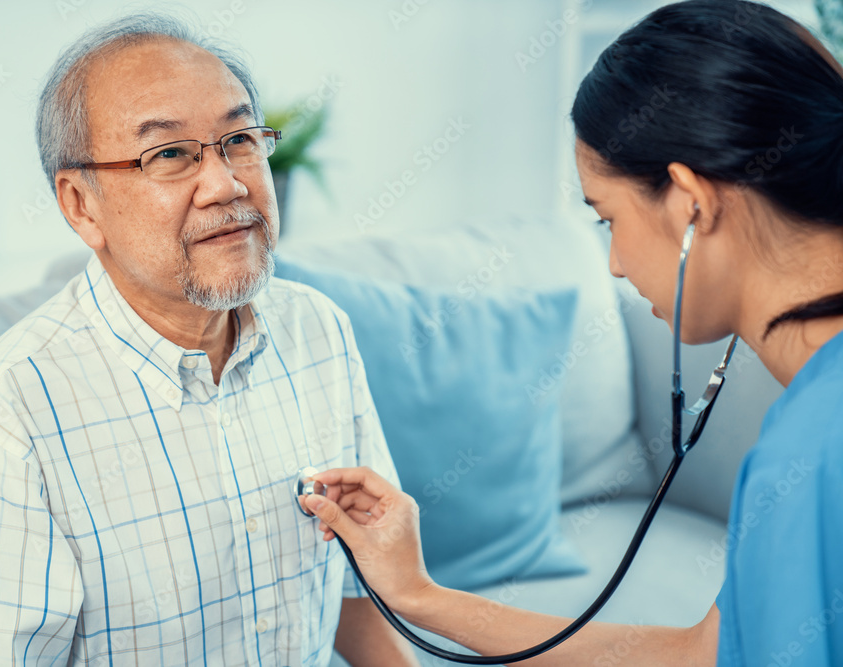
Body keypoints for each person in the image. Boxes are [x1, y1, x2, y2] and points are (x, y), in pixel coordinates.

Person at [302, 1, 843, 664]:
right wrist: (419, 594)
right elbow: (708, 650)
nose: (614, 263)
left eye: (606, 218)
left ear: (689, 201)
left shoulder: (809, 452)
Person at [0, 13, 417, 667]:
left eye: (239, 139)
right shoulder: (4, 416)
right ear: (82, 206)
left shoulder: (318, 327)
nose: (227, 183)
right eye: (170, 154)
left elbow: (356, 583)